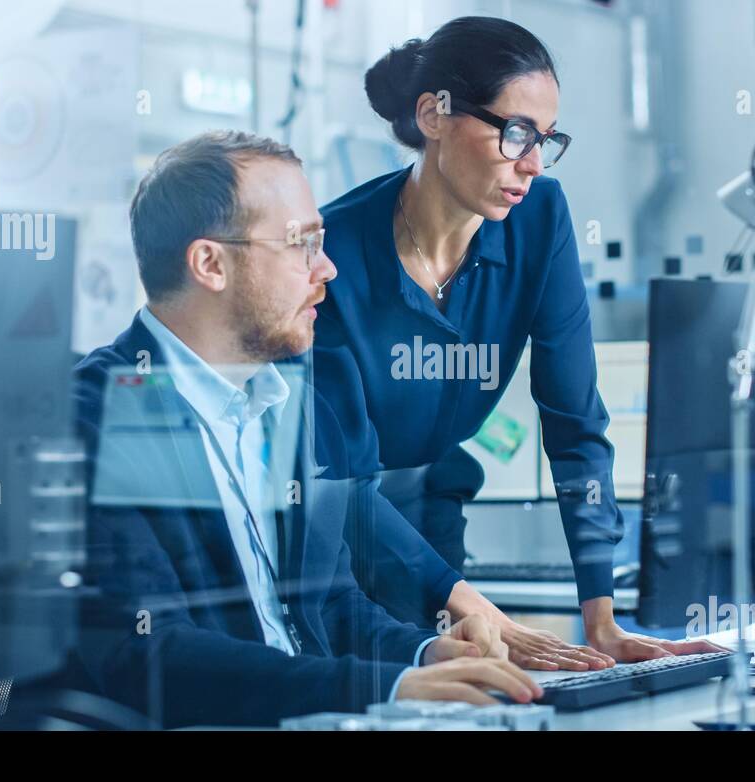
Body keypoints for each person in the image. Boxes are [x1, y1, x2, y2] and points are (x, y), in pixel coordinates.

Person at [71, 130, 541, 727]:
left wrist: (426, 656)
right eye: (303, 244)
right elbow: (146, 652)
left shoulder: (290, 401)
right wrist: (387, 687)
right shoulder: (107, 410)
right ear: (210, 263)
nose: (328, 267)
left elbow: (327, 605)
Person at [314, 16, 724, 667]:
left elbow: (575, 424)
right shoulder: (333, 252)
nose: (532, 164)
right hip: (324, 539)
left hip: (432, 513)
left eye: (546, 138)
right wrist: (472, 604)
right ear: (434, 115)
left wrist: (603, 617)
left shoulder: (540, 219)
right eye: (514, 134)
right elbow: (341, 477)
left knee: (463, 697)